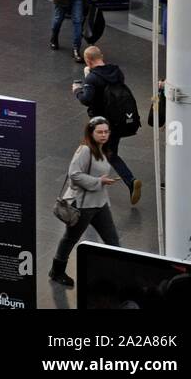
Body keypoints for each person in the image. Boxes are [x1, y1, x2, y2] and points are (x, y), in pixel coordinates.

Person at [49, 118, 122, 288]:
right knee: (70, 238)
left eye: (106, 131)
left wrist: (101, 182)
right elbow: (74, 174)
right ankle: (56, 271)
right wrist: (99, 181)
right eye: (100, 132)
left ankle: (118, 273)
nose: (104, 135)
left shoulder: (103, 149)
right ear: (91, 133)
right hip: (83, 206)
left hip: (100, 203)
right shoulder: (85, 150)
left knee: (112, 240)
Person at [73, 46, 142, 204]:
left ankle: (87, 188)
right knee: (109, 154)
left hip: (100, 124)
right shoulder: (117, 72)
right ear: (101, 56)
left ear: (88, 61)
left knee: (91, 152)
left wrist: (77, 90)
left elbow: (87, 99)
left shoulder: (92, 78)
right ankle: (130, 181)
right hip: (118, 122)